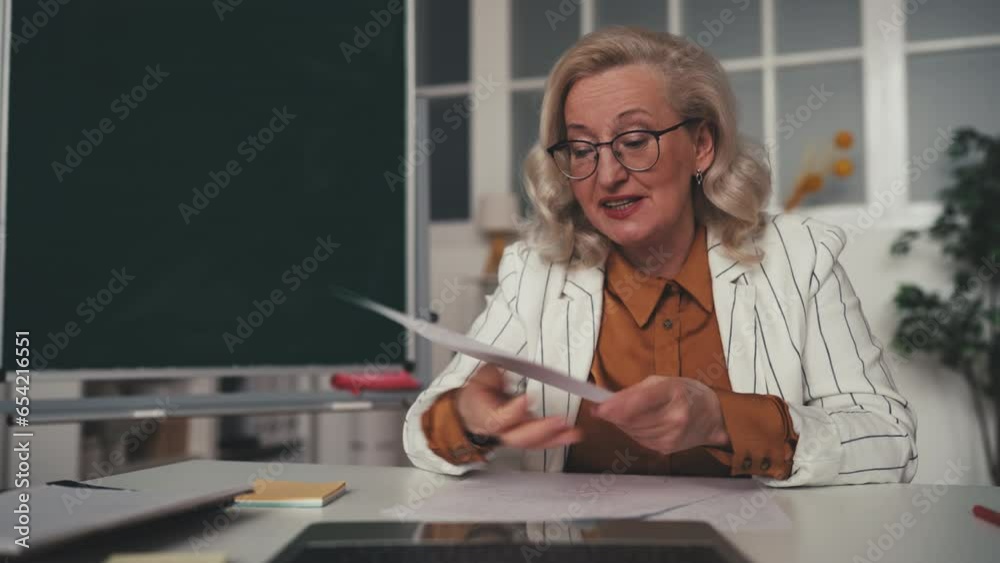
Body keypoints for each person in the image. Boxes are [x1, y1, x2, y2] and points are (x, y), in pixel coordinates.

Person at [403, 27, 916, 486]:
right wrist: (468, 416)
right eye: (582, 149)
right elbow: (421, 431)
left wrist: (721, 419)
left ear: (702, 145)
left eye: (634, 140)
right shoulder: (536, 272)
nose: (607, 176)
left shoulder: (800, 260)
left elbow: (890, 444)